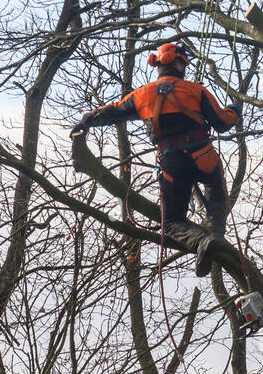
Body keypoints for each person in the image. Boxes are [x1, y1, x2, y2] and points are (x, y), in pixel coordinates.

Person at [71, 41, 241, 275]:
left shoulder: (141, 96)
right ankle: (214, 236)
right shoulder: (196, 90)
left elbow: (113, 111)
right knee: (216, 197)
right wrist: (235, 109)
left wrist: (85, 121)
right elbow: (223, 122)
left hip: (172, 163)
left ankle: (201, 241)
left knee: (171, 222)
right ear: (179, 64)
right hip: (203, 155)